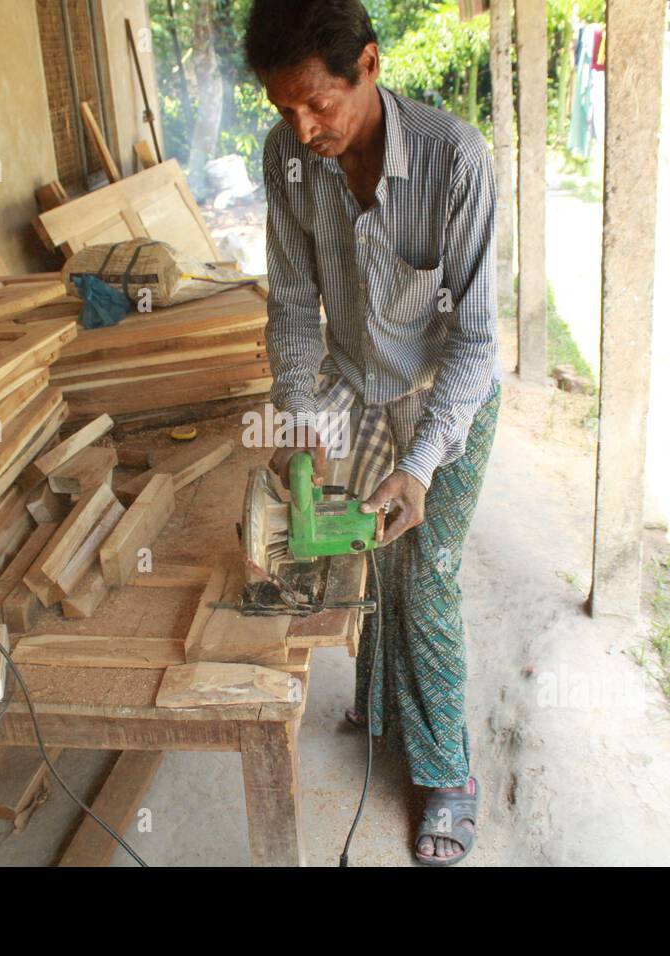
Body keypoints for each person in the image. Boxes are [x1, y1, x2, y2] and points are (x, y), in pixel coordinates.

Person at [244, 0, 502, 865]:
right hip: (357, 383)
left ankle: (446, 774)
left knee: (425, 568)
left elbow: (474, 342)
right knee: (365, 546)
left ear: (370, 64)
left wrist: (423, 462)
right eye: (286, 109)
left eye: (319, 103)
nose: (305, 127)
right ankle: (386, 704)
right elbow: (289, 305)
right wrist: (302, 415)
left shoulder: (454, 158)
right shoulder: (287, 159)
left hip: (446, 398)